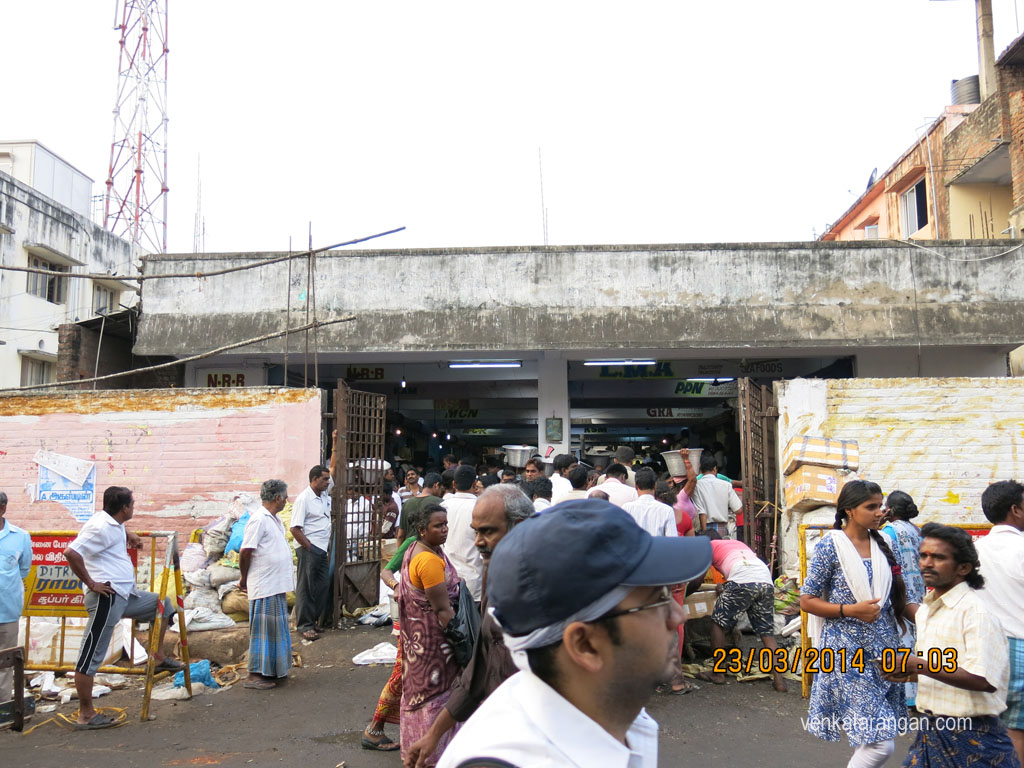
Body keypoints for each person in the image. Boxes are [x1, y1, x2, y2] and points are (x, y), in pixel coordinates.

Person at [437, 499, 712, 768]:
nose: (679, 616)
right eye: (656, 601)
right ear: (585, 645)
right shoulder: (512, 759)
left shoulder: (619, 712)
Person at [405, 484, 532, 767]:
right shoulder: (493, 570)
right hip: (500, 723)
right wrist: (434, 734)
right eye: (475, 531)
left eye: (487, 531)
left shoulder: (548, 584)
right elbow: (482, 662)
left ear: (520, 527)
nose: (477, 541)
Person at [884, 523, 1020, 767]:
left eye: (938, 557)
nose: (927, 563)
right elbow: (949, 670)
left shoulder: (975, 612)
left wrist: (918, 664)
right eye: (924, 555)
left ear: (963, 568)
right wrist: (910, 674)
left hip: (973, 737)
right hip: (932, 732)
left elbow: (983, 680)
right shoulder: (927, 611)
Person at [799, 480, 914, 768]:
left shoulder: (884, 544)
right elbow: (807, 600)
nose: (880, 512)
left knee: (872, 737)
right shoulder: (830, 546)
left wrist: (934, 616)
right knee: (880, 744)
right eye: (871, 507)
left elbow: (898, 601)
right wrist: (850, 610)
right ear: (849, 511)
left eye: (881, 506)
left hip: (884, 649)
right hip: (846, 653)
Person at [65, 486, 185, 728]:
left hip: (125, 594)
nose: (134, 507)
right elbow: (71, 552)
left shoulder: (114, 523)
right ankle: (86, 714)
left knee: (163, 606)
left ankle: (158, 656)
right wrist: (91, 583)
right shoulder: (99, 527)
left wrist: (127, 533)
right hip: (106, 598)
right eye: (132, 504)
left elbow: (115, 529)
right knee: (90, 656)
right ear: (123, 508)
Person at [399, 500, 462, 767]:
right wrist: (464, 644)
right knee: (436, 696)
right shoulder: (427, 560)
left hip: (417, 642)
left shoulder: (417, 549)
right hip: (435, 645)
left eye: (446, 524)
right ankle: (434, 756)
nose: (445, 530)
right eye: (438, 526)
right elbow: (442, 610)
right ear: (423, 530)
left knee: (419, 692)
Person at [696, 531, 788, 692]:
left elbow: (698, 578)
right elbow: (740, 568)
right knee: (766, 633)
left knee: (718, 623)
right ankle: (779, 681)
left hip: (741, 579)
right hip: (765, 580)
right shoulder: (737, 544)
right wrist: (725, 587)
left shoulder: (708, 546)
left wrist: (686, 593)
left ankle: (718, 673)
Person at [976, 480, 1024, 765]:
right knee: (1017, 731)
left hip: (984, 652)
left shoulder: (974, 551)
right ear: (1016, 510)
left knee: (987, 728)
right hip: (1019, 650)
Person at [239, 479, 295, 689]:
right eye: (285, 496)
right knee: (263, 632)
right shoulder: (258, 520)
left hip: (274, 584)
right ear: (278, 498)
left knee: (274, 631)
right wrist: (244, 579)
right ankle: (254, 675)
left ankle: (271, 671)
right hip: (264, 584)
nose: (286, 500)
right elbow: (246, 551)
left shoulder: (273, 519)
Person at [880, 490, 925, 707]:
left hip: (900, 590)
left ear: (890, 509)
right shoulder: (918, 531)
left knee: (901, 638)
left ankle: (904, 694)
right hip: (919, 590)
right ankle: (919, 694)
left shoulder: (888, 531)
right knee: (918, 639)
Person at [290, 464, 332, 641]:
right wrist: (309, 546)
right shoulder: (303, 499)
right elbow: (295, 528)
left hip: (321, 549)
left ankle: (313, 620)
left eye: (328, 479)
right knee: (306, 587)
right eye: (324, 479)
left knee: (321, 586)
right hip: (310, 548)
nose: (327, 482)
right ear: (314, 479)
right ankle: (304, 625)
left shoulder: (322, 496)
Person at [0, 490, 32, 703]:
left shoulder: (20, 537)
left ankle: (2, 707)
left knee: (5, 662)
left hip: (7, 610)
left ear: (2, 509)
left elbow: (24, 569)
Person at [442, 465, 484, 603]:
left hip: (447, 581)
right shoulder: (481, 507)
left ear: (454, 484)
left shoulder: (443, 507)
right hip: (474, 582)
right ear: (475, 485)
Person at [691, 453, 741, 537]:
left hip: (703, 528)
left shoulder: (696, 486)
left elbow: (701, 511)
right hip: (722, 528)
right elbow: (738, 510)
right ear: (715, 469)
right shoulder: (726, 485)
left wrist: (704, 532)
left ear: (700, 470)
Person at [622, 468, 677, 537]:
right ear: (655, 486)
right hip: (658, 547)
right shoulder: (667, 510)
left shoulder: (626, 508)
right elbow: (672, 540)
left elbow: (622, 536)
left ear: (636, 486)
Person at [397, 472, 444, 542]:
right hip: (430, 549)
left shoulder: (407, 504)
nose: (441, 492)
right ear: (436, 485)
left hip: (410, 549)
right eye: (441, 488)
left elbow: (400, 535)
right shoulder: (441, 503)